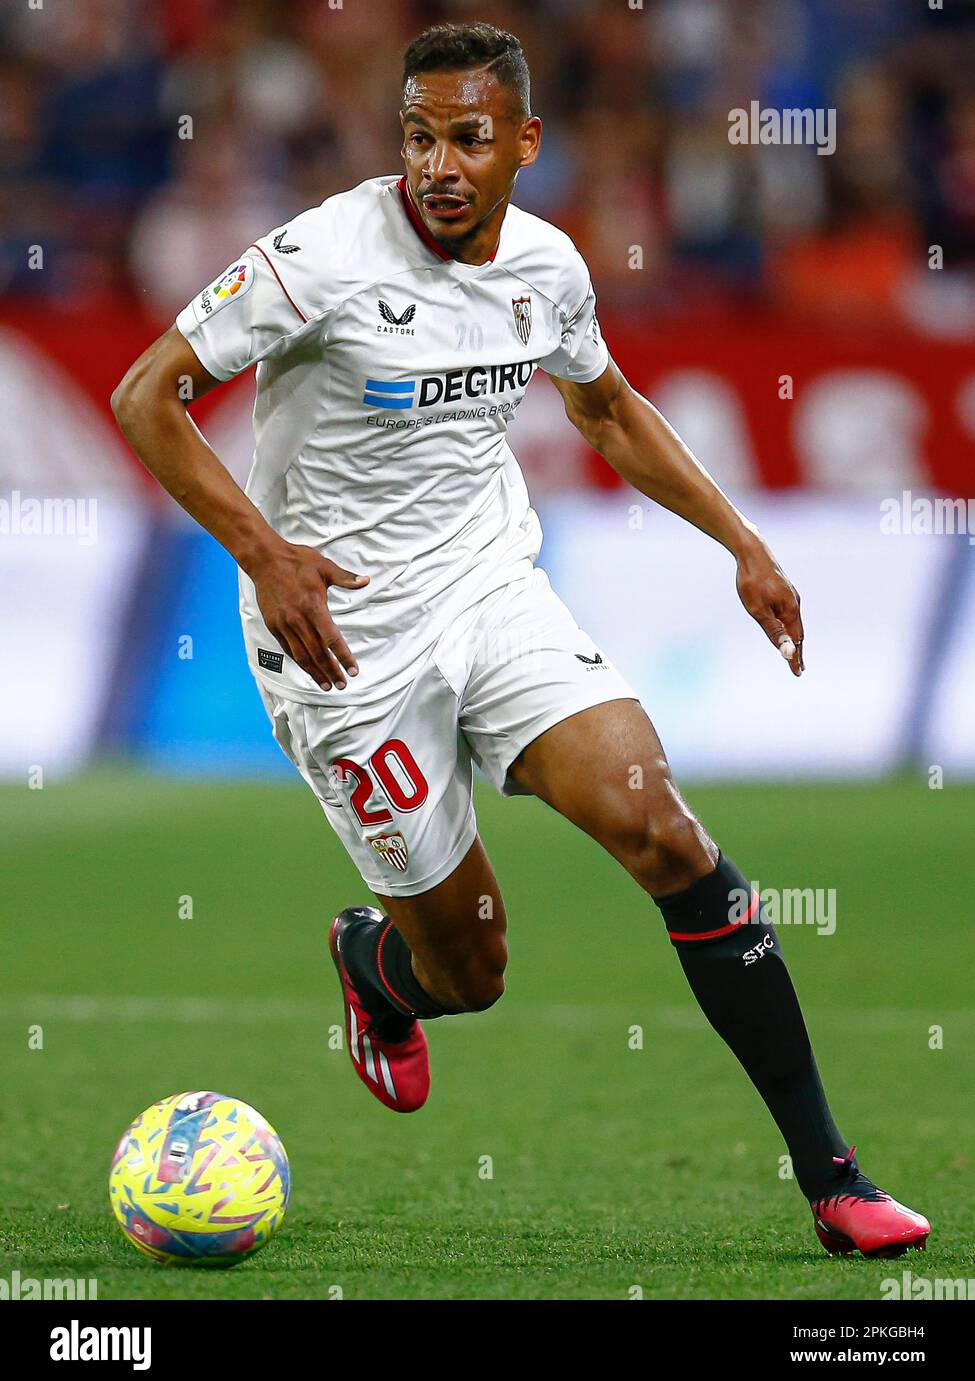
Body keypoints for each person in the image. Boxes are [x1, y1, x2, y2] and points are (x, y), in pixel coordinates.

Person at [112, 21, 929, 1259]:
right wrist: (266, 555)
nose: (439, 164)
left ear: (525, 145)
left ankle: (834, 1177)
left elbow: (604, 405)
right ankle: (379, 967)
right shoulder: (321, 255)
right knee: (473, 971)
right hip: (341, 639)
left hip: (492, 587)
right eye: (419, 137)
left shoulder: (547, 267)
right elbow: (146, 395)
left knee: (664, 828)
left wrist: (744, 546)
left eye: (469, 138)